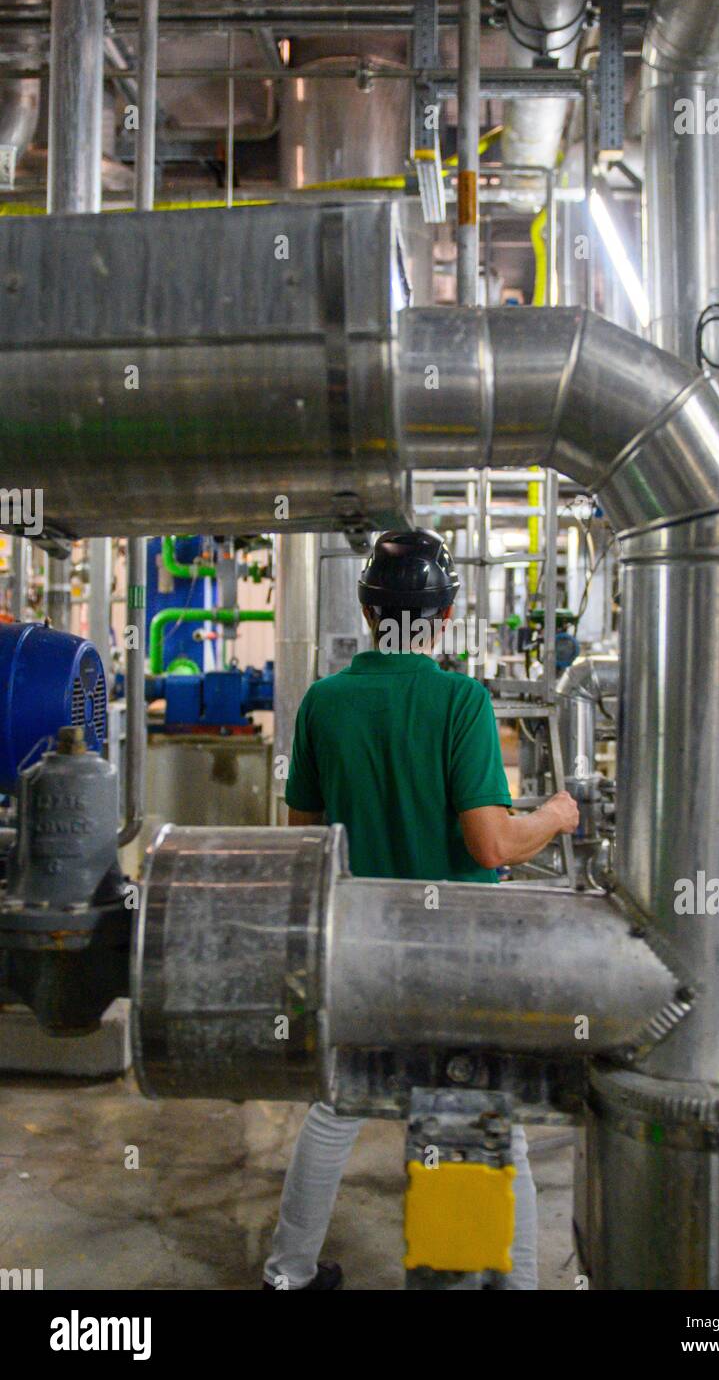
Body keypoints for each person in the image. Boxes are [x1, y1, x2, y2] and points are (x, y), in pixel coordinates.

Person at [263, 529, 579, 1291]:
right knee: (484, 1119)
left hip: (356, 943)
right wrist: (558, 815)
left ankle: (288, 1273)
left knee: (336, 1106)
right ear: (442, 614)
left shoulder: (324, 702)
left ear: (370, 611)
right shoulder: (459, 699)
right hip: (459, 953)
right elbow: (492, 842)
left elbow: (306, 845)